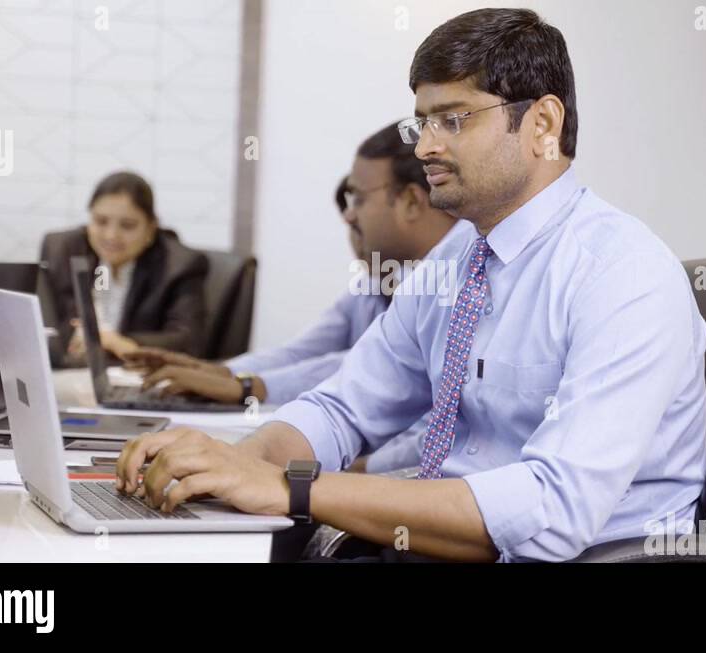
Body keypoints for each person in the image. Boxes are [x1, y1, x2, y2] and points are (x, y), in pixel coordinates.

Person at [115, 8, 706, 563]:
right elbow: (343, 409)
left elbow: (554, 509)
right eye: (422, 121)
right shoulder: (457, 262)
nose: (425, 146)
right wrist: (230, 463)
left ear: (542, 124)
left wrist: (292, 489)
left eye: (452, 119)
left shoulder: (623, 274)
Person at [123, 124, 457, 473]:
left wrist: (246, 389)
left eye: (359, 198)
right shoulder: (388, 279)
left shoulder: (453, 282)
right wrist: (220, 375)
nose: (349, 216)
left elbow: (366, 373)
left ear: (412, 202)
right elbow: (317, 357)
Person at [40, 171, 208, 363]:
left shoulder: (180, 265)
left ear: (151, 229)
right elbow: (46, 323)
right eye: (101, 221)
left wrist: (111, 341)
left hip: (137, 377)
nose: (111, 236)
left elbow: (189, 341)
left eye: (127, 226)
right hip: (73, 372)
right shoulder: (62, 248)